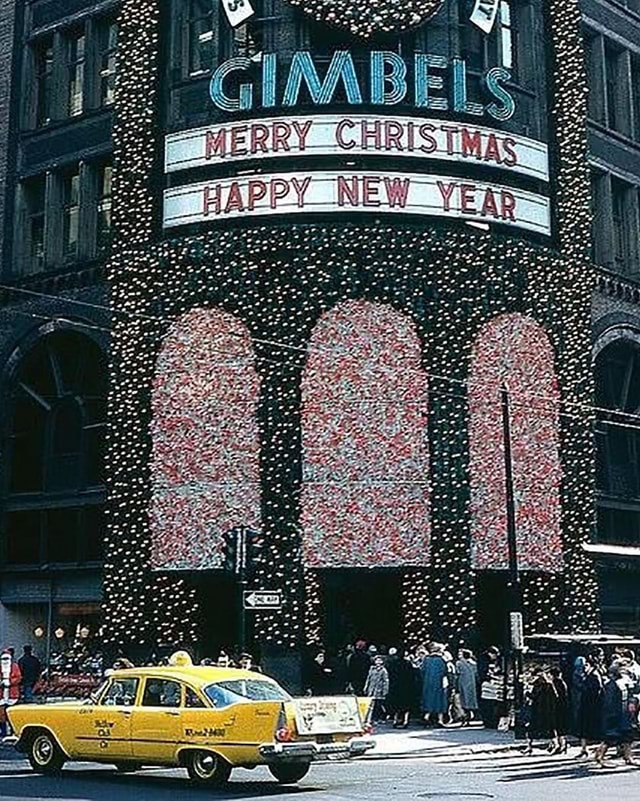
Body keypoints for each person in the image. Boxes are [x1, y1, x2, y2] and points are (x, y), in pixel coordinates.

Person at [595, 663, 638, 767]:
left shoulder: (622, 682)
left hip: (624, 715)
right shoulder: (612, 685)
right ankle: (599, 756)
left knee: (628, 736)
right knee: (611, 737)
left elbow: (631, 693)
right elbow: (609, 703)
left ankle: (628, 757)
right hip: (615, 715)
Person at [575, 654, 604, 758]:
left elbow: (595, 690)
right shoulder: (588, 675)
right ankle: (583, 749)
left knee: (593, 728)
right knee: (584, 728)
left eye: (586, 665)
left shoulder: (594, 675)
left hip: (592, 706)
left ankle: (599, 749)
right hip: (586, 706)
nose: (584, 668)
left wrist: (581, 686)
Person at [525, 667, 558, 755]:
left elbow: (534, 696)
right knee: (549, 729)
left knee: (532, 728)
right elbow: (555, 697)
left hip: (539, 709)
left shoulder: (539, 685)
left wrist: (527, 693)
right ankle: (555, 744)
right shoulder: (548, 684)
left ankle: (529, 746)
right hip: (547, 710)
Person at [386, 648, 415, 728]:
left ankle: (395, 720)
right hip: (406, 687)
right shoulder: (408, 664)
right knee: (406, 706)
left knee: (396, 705)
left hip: (395, 686)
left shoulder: (393, 663)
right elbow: (412, 676)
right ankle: (405, 721)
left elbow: (390, 674)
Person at [421, 643, 449, 726]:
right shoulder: (441, 660)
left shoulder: (427, 659)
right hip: (438, 682)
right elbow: (444, 671)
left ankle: (427, 716)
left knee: (428, 699)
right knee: (440, 700)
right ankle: (440, 720)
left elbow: (423, 670)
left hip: (428, 682)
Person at [0, 649, 22, 738]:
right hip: (1, 694)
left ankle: (14, 732)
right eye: (3, 659)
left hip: (12, 694)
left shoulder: (15, 666)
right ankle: (3, 732)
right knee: (1, 715)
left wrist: (10, 682)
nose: (5, 661)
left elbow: (19, 677)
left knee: (12, 713)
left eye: (7, 659)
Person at [455, 649, 479, 726]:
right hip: (472, 684)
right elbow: (476, 674)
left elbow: (457, 673)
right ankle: (469, 717)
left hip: (462, 683)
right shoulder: (474, 663)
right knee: (470, 701)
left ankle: (464, 719)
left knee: (462, 701)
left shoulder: (459, 663)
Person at [549, 666, 569, 754]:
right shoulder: (562, 682)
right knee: (560, 726)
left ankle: (561, 745)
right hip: (562, 706)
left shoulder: (554, 683)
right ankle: (562, 744)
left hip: (556, 706)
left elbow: (554, 695)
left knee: (557, 726)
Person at [364, 655, 389, 723]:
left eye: (379, 660)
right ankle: (371, 718)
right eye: (377, 660)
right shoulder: (372, 669)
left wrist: (385, 690)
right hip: (371, 689)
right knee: (371, 704)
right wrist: (366, 687)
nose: (378, 662)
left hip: (379, 689)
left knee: (378, 705)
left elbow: (385, 681)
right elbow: (368, 679)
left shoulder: (383, 670)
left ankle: (380, 717)